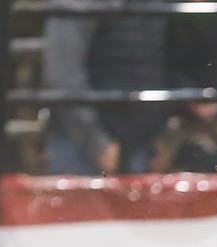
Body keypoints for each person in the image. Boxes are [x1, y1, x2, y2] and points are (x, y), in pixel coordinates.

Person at [41, 5, 169, 176]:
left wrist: (160, 134)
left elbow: (157, 60)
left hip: (140, 143)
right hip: (84, 147)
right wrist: (98, 145)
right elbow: (64, 74)